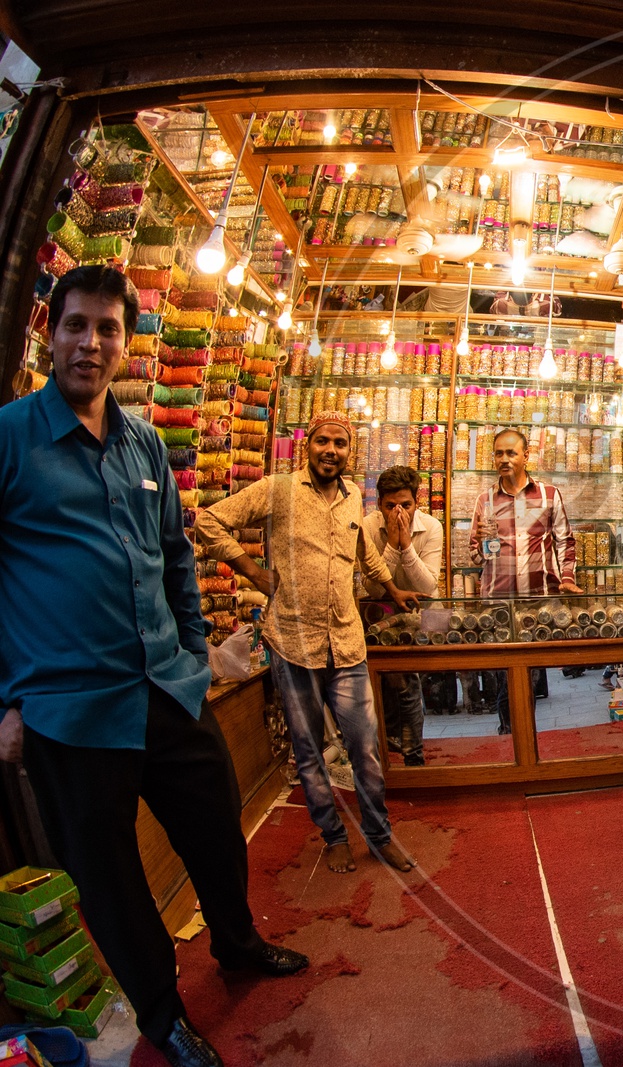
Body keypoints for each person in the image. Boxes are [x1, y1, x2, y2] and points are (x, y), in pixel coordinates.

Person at [0, 265, 306, 1067]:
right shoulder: (9, 438)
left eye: (107, 329)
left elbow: (176, 556)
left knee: (215, 828)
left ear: (126, 344)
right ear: (50, 333)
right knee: (110, 876)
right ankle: (162, 1013)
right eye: (75, 326)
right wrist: (4, 698)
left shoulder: (140, 440)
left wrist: (195, 653)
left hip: (166, 689)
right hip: (69, 708)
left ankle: (235, 942)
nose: (90, 343)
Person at [195, 412, 419, 876]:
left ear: (348, 452)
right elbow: (209, 522)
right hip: (293, 640)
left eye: (340, 443)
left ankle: (379, 835)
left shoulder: (355, 494)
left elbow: (364, 551)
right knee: (309, 748)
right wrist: (253, 571)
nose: (330, 451)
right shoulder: (279, 489)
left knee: (365, 746)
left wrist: (391, 588)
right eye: (322, 442)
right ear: (307, 446)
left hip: (346, 640)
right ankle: (333, 836)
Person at [467, 428, 580, 728]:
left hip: (537, 601)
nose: (504, 459)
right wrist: (480, 545)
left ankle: (517, 735)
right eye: (498, 453)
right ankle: (514, 732)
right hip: (498, 602)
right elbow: (476, 557)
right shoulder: (485, 501)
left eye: (511, 453)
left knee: (527, 673)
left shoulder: (548, 495)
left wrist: (566, 577)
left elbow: (565, 541)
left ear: (526, 455)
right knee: (507, 673)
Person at [362, 465, 443, 766]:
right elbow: (371, 587)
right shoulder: (369, 527)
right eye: (390, 506)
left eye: (406, 505)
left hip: (424, 616)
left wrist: (405, 544)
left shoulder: (432, 527)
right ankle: (402, 748)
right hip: (380, 614)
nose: (399, 512)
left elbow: (428, 585)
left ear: (416, 503)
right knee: (390, 683)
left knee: (406, 681)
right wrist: (392, 547)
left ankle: (410, 751)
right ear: (378, 504)